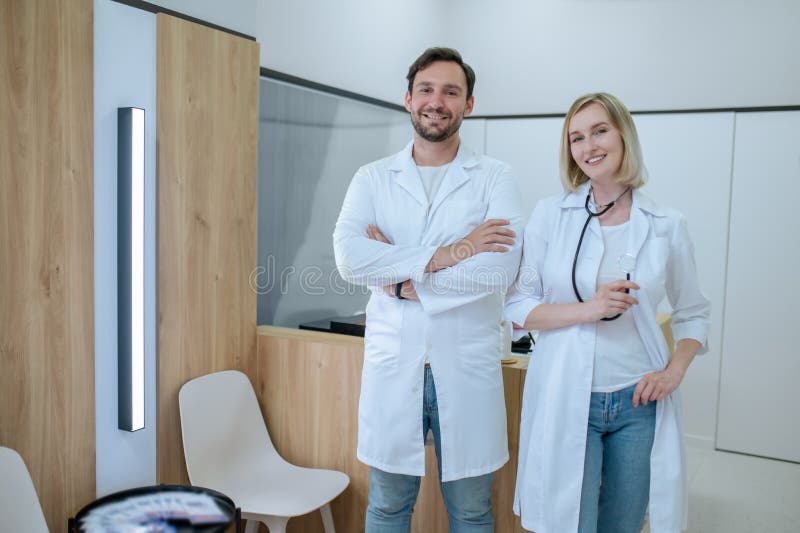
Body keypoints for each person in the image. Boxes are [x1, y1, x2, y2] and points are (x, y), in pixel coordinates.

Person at [333, 47, 524, 532]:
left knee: (473, 510)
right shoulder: (372, 178)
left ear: (469, 104)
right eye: (426, 89)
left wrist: (400, 280)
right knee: (387, 505)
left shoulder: (495, 177)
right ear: (408, 98)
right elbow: (350, 259)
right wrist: (453, 252)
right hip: (394, 365)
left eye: (450, 92)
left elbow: (499, 270)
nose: (436, 101)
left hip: (465, 364)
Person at [505, 92, 711, 533]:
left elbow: (693, 312)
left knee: (624, 522)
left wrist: (674, 372)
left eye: (599, 131)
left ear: (623, 135)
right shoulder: (550, 215)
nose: (588, 146)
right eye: (576, 138)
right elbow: (519, 306)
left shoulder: (665, 224)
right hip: (567, 395)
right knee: (571, 523)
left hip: (639, 401)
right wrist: (589, 309)